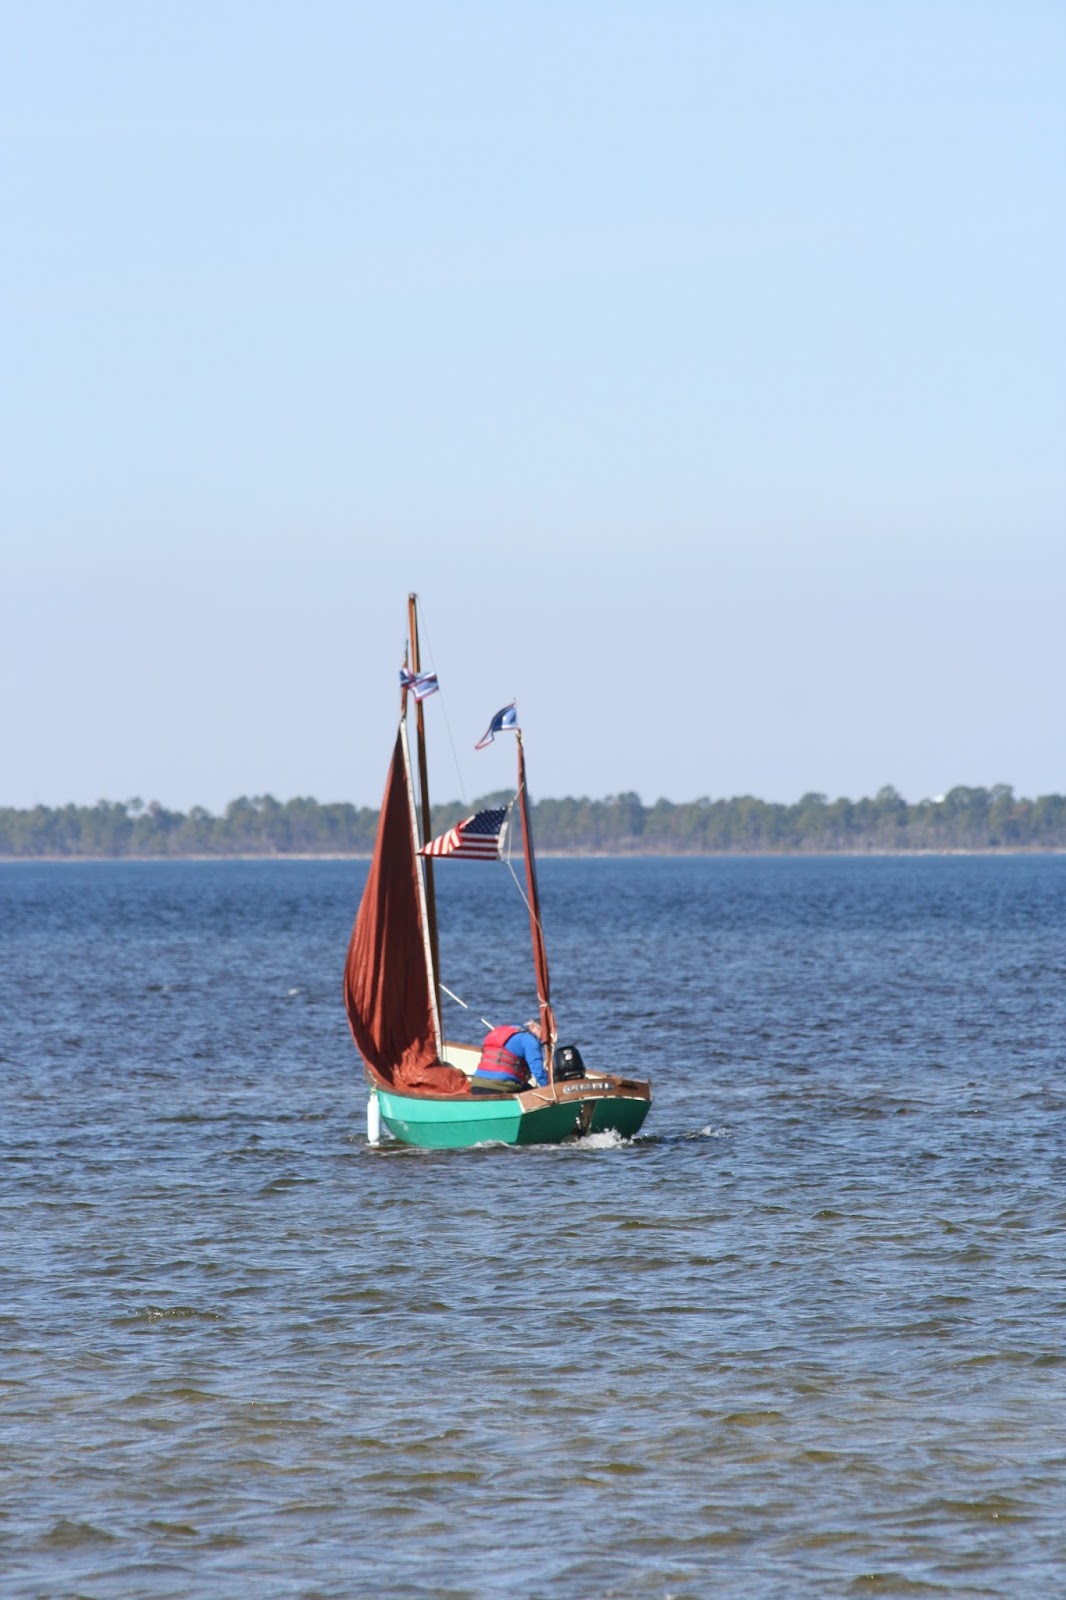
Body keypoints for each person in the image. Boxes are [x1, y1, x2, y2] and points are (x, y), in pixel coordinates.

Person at [469, 1019, 549, 1095]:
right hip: (501, 1085)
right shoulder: (529, 1039)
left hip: (476, 1084)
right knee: (535, 1094)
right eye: (544, 1034)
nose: (543, 1040)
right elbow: (538, 1072)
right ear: (533, 1026)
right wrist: (548, 1089)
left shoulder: (506, 1032)